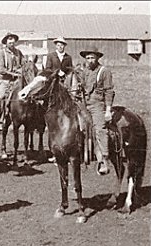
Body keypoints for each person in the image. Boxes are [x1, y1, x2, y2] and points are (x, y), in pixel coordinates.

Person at [79, 46, 114, 175]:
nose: (90, 60)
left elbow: (109, 91)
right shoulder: (84, 71)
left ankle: (105, 159)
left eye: (92, 58)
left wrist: (108, 110)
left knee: (99, 129)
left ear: (97, 58)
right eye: (87, 58)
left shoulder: (104, 71)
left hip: (97, 104)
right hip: (83, 103)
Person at [0, 32, 25, 131]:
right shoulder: (2, 53)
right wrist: (13, 74)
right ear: (6, 42)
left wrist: (22, 70)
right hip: (6, 81)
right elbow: (0, 69)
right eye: (9, 40)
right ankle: (0, 120)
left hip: (18, 81)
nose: (11, 42)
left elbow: (23, 64)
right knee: (0, 98)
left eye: (13, 40)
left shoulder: (18, 53)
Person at [45, 37, 73, 162]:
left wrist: (65, 75)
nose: (60, 47)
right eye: (58, 45)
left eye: (62, 45)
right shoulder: (51, 56)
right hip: (53, 84)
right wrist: (57, 73)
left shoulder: (68, 57)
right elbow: (47, 69)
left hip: (65, 84)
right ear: (56, 46)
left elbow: (71, 70)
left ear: (64, 46)